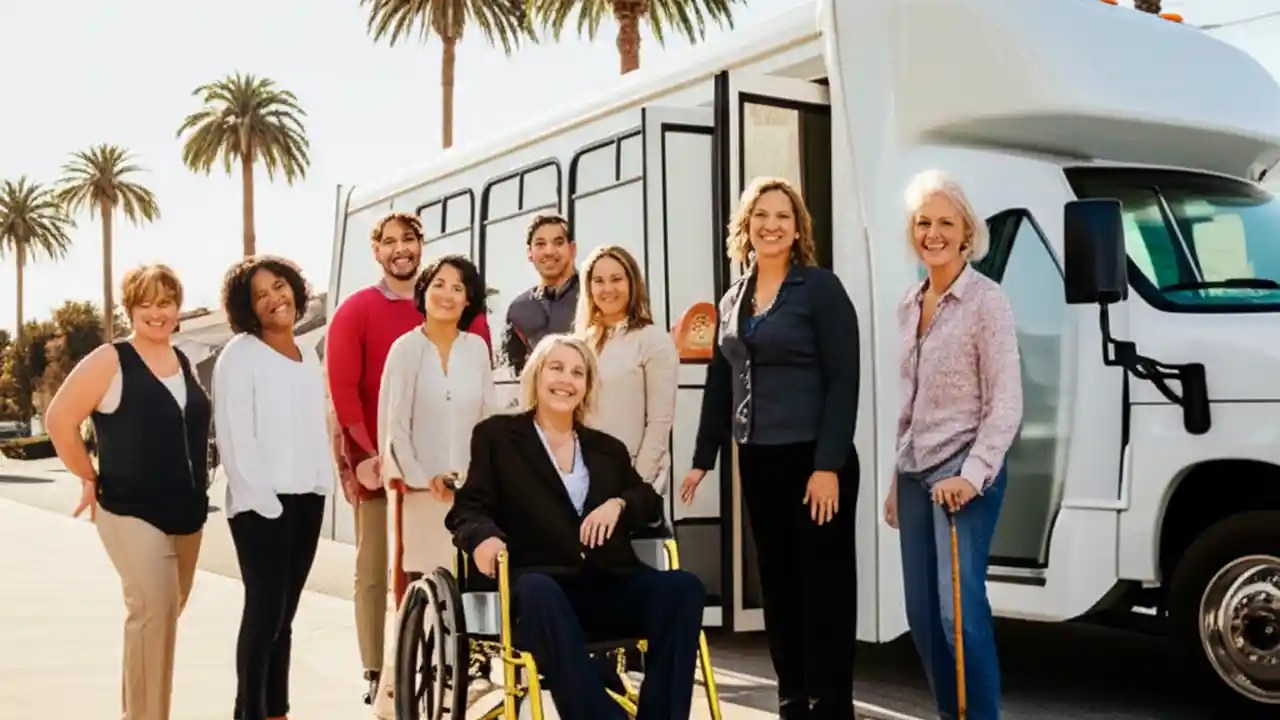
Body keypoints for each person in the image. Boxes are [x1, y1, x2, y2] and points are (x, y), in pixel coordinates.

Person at [446, 334, 706, 720]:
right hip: (541, 592)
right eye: (556, 368)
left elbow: (648, 501)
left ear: (586, 387)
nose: (566, 380)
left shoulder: (607, 448)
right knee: (537, 588)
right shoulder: (498, 437)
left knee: (683, 588)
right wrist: (482, 538)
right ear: (536, 375)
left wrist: (618, 504)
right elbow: (468, 508)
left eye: (578, 372)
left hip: (608, 585)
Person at [679, 176, 861, 720]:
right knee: (778, 587)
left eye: (783, 216)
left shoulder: (821, 289)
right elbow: (720, 380)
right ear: (746, 226)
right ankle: (792, 701)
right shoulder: (733, 296)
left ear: (798, 227)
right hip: (758, 459)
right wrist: (701, 459)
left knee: (823, 589)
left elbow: (844, 379)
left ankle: (831, 705)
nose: (771, 225)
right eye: (761, 215)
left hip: (813, 460)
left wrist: (827, 465)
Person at [324, 211, 491, 705]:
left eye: (410, 239)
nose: (401, 249)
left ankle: (459, 676)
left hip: (466, 484)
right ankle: (387, 680)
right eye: (390, 241)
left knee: (468, 587)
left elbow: (488, 415)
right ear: (377, 251)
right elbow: (368, 406)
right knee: (394, 578)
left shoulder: (476, 346)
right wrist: (393, 465)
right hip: (405, 480)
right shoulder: (375, 325)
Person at [45, 264, 211, 720]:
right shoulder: (110, 360)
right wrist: (89, 477)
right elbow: (59, 420)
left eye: (165, 303)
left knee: (159, 625)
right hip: (130, 512)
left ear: (177, 308)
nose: (156, 313)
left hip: (188, 515)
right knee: (153, 614)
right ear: (130, 309)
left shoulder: (186, 362)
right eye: (145, 304)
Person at [884, 169, 1022, 720]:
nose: (933, 233)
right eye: (923, 222)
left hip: (965, 474)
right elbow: (908, 405)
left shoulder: (988, 302)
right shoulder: (908, 303)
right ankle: (952, 713)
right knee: (920, 616)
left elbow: (1006, 402)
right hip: (916, 475)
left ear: (967, 233)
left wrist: (975, 472)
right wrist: (897, 481)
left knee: (957, 614)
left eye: (945, 222)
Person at [213, 255, 335, 720]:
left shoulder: (307, 355)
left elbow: (313, 424)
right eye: (260, 295)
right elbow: (234, 431)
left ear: (295, 289)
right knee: (264, 616)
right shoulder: (239, 354)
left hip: (307, 497)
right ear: (247, 307)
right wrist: (261, 500)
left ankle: (276, 710)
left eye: (279, 287)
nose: (274, 300)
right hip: (260, 504)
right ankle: (249, 712)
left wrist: (321, 483)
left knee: (284, 620)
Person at [373, 254, 498, 703]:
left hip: (471, 495)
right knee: (423, 599)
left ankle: (466, 691)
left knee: (467, 601)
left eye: (458, 287)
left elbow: (487, 420)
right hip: (423, 496)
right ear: (424, 291)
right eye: (439, 284)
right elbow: (394, 427)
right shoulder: (406, 349)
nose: (447, 294)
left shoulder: (477, 349)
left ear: (469, 300)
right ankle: (406, 696)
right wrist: (425, 480)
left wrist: (480, 479)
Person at [574, 244, 678, 494]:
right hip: (580, 480)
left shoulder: (653, 340)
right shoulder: (579, 344)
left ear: (632, 283)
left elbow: (659, 424)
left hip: (628, 480)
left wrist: (635, 485)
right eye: (598, 281)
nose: (607, 289)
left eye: (616, 279)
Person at [501, 212, 578, 376]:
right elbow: (513, 372)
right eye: (540, 244)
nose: (549, 251)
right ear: (530, 253)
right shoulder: (519, 309)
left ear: (572, 249)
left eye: (558, 243)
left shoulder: (593, 296)